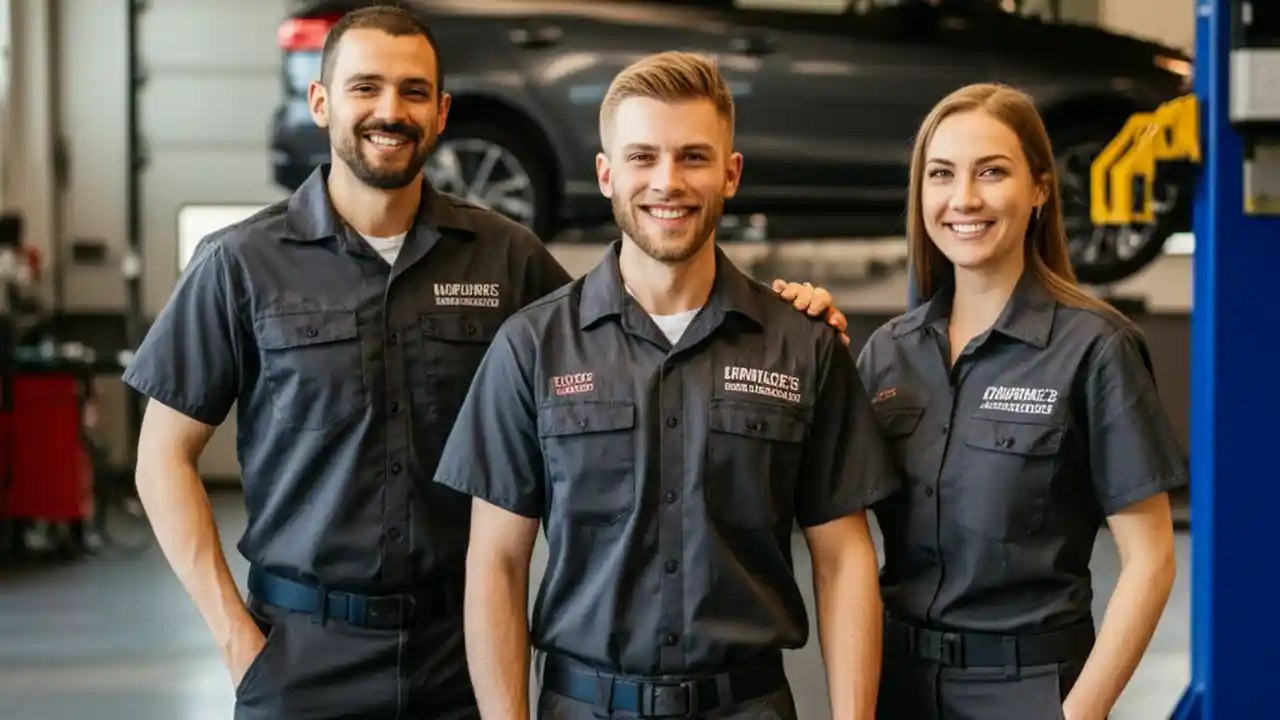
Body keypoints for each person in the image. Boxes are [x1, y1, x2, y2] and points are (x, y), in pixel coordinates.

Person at [122, 7, 848, 720]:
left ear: (441, 113)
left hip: (459, 659)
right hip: (300, 656)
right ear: (320, 101)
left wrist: (778, 319)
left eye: (413, 91)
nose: (390, 111)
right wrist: (235, 638)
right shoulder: (240, 265)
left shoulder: (506, 257)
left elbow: (626, 335)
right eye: (365, 87)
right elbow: (161, 459)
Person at [433, 51, 900, 720]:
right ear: (607, 174)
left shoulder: (802, 344)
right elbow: (496, 566)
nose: (667, 182)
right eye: (643, 157)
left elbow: (844, 559)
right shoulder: (531, 346)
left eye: (693, 157)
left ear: (730, 173)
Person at [856, 82, 1186, 720]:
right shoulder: (888, 354)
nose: (964, 198)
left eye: (992, 172)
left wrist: (1078, 713)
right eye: (942, 174)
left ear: (1039, 189)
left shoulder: (1095, 348)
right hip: (897, 685)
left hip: (1029, 690)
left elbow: (1151, 560)